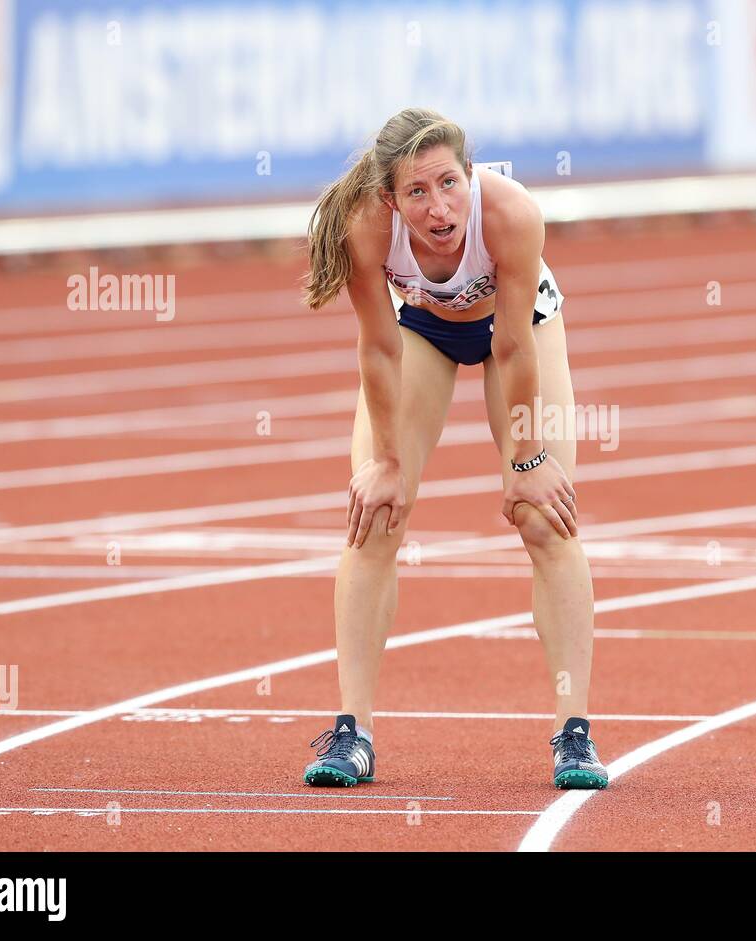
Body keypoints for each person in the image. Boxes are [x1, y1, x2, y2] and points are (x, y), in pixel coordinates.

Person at [299, 108, 607, 790]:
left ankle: (574, 732)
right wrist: (386, 462)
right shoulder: (365, 227)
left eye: (448, 184)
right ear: (390, 198)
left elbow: (514, 343)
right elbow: (378, 348)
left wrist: (527, 462)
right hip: (422, 334)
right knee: (376, 511)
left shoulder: (512, 215)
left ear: (471, 175)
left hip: (518, 332)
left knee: (544, 516)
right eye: (417, 192)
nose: (438, 209)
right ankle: (353, 731)